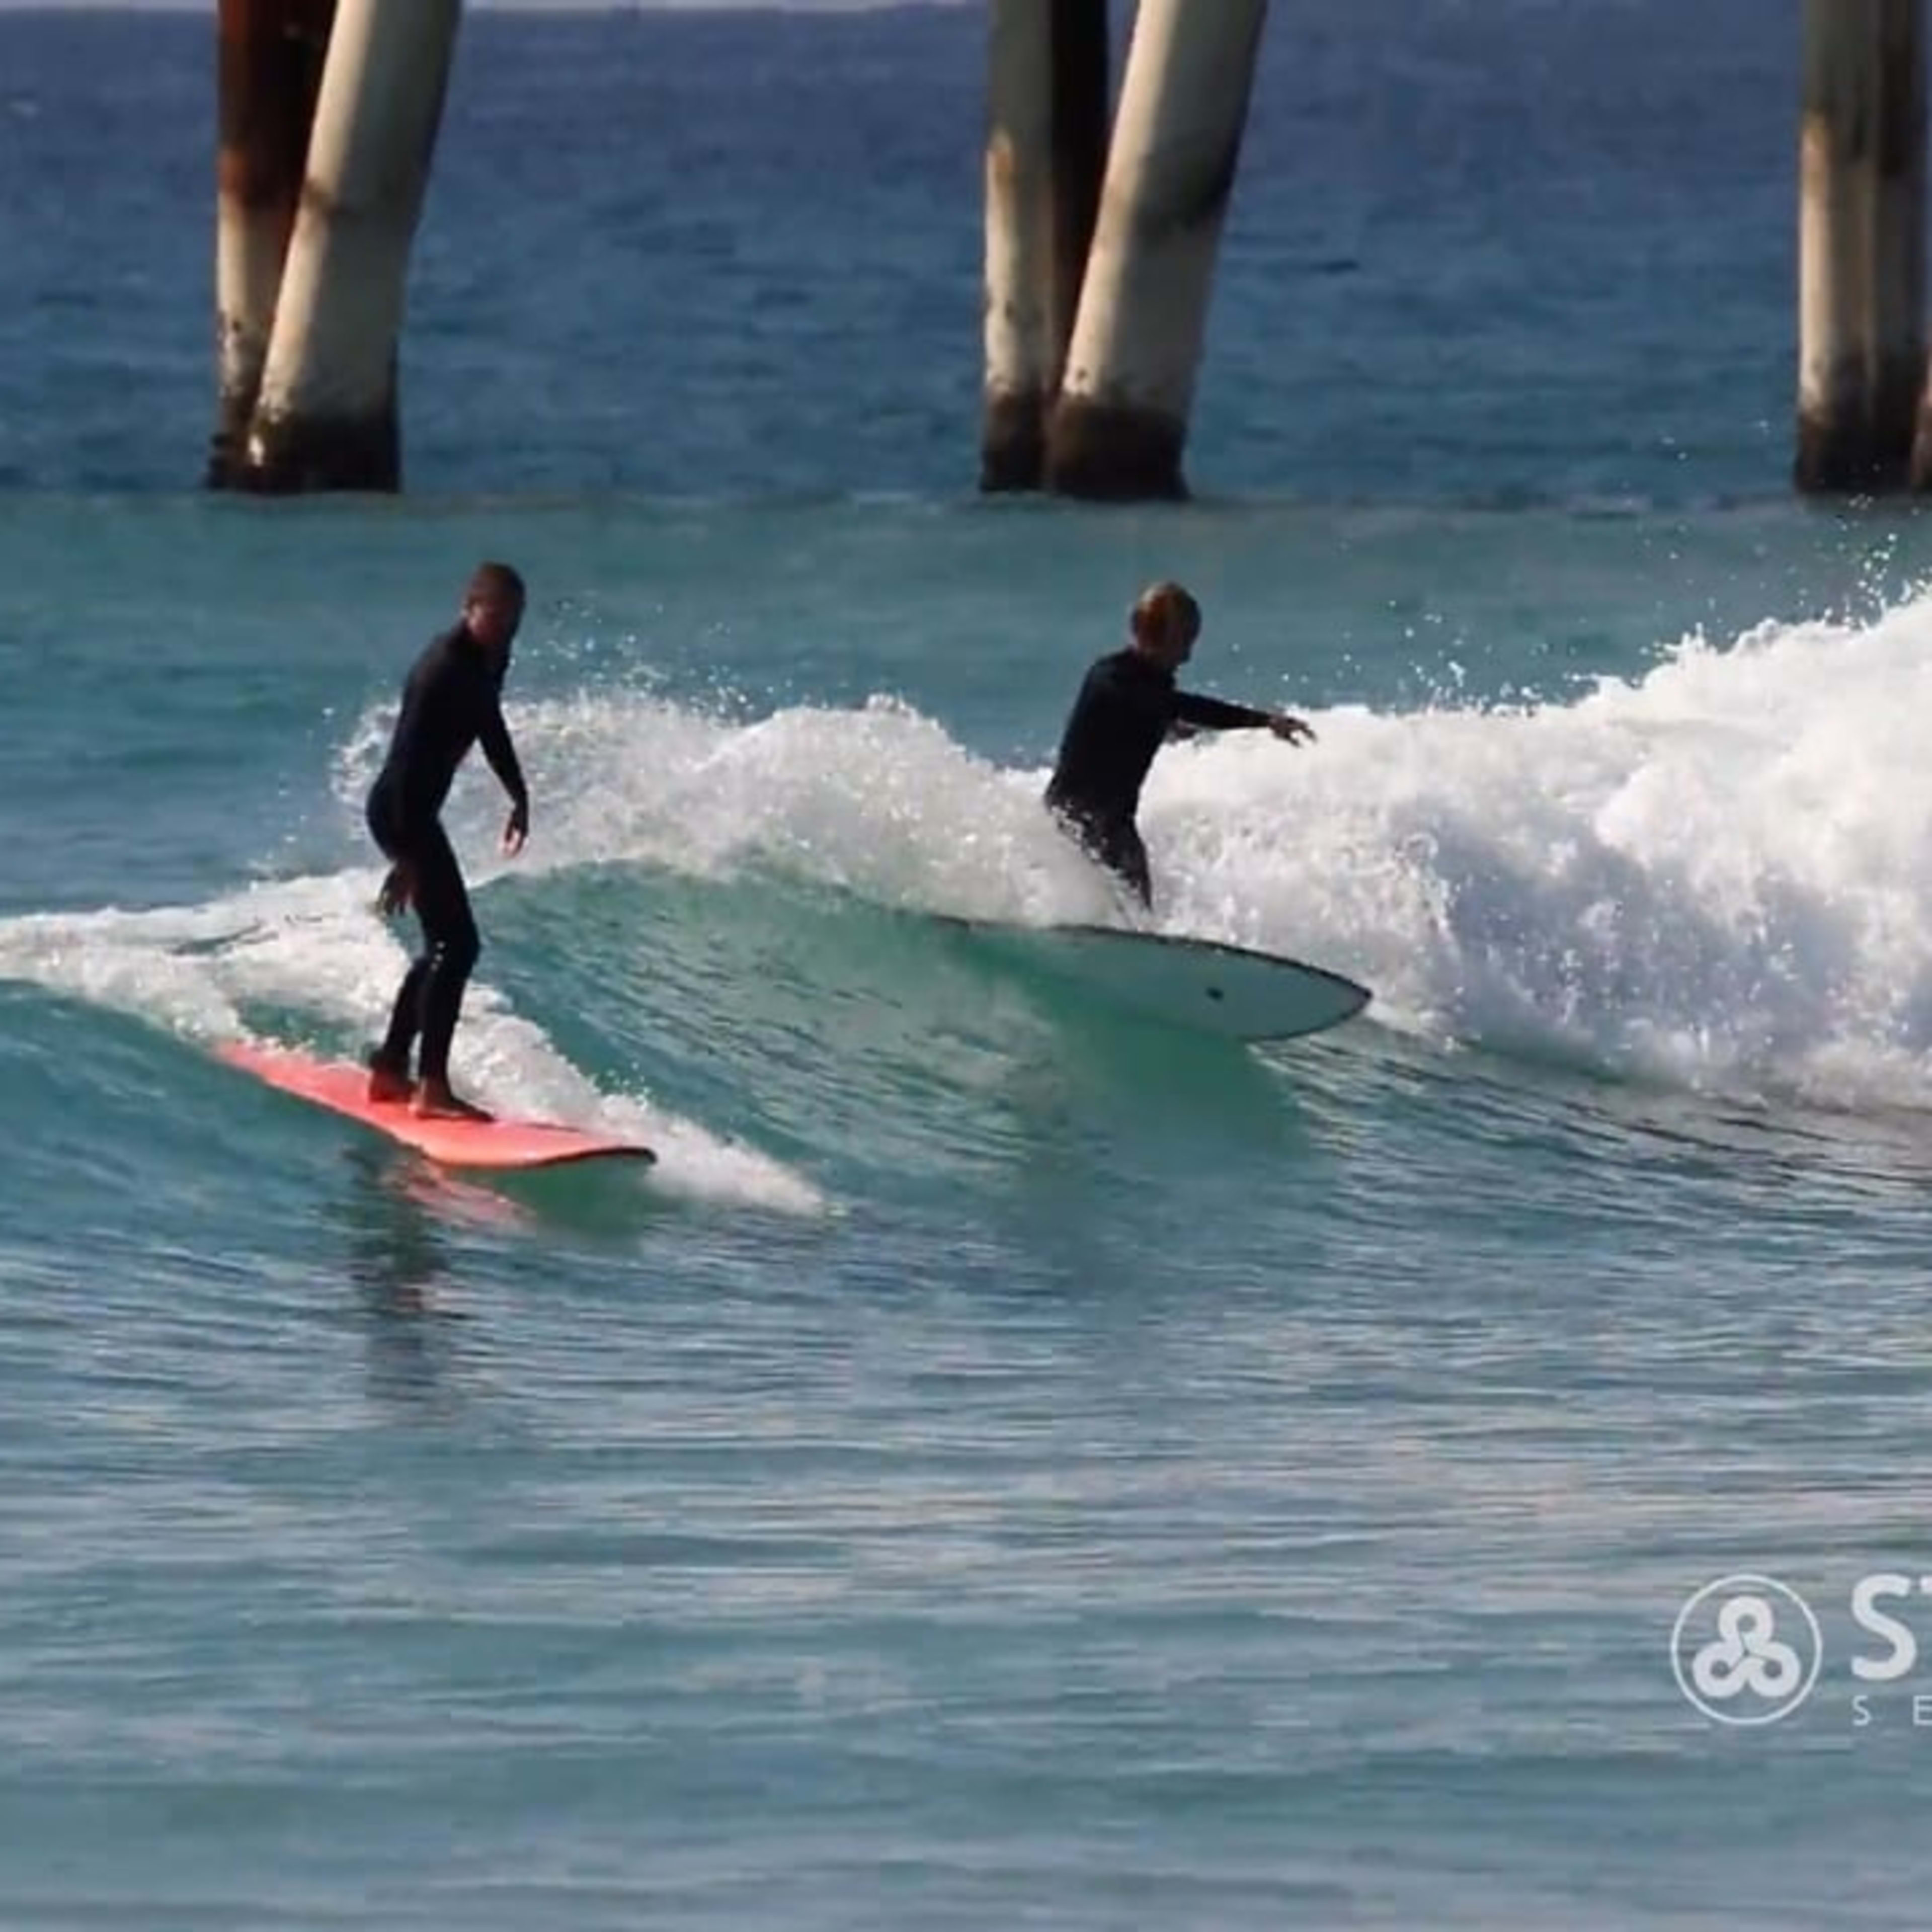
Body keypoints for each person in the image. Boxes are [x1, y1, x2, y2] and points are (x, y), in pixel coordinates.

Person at [363, 562, 531, 1118]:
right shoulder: (443, 669)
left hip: (414, 813)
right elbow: (409, 765)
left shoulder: (491, 659)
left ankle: (390, 1069)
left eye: (514, 619)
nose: (505, 628)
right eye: (496, 617)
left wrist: (519, 796)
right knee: (458, 947)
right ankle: (431, 1088)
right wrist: (408, 855)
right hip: (401, 807)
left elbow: (488, 726)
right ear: (469, 608)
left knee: (442, 946)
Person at [1044, 580, 1314, 909]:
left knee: (1132, 910)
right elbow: (1176, 705)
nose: (1187, 656)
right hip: (1079, 818)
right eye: (1184, 641)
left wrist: (1167, 726)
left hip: (1107, 821)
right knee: (1131, 909)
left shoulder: (1144, 687)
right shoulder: (1111, 677)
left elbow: (1149, 711)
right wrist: (1264, 720)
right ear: (1155, 638)